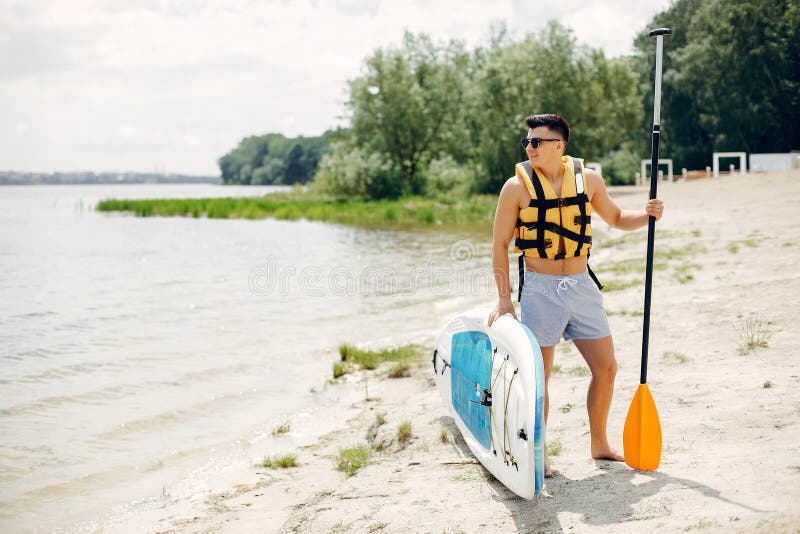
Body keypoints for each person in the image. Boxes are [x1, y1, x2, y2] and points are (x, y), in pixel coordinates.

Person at [487, 114, 664, 477]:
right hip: (540, 290)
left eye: (537, 141)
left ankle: (599, 442)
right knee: (540, 376)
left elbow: (616, 217)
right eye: (527, 142)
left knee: (607, 367)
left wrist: (646, 215)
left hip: (582, 287)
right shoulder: (515, 188)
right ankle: (539, 452)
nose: (529, 147)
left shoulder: (589, 181)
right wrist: (505, 299)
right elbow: (499, 245)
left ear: (559, 145)